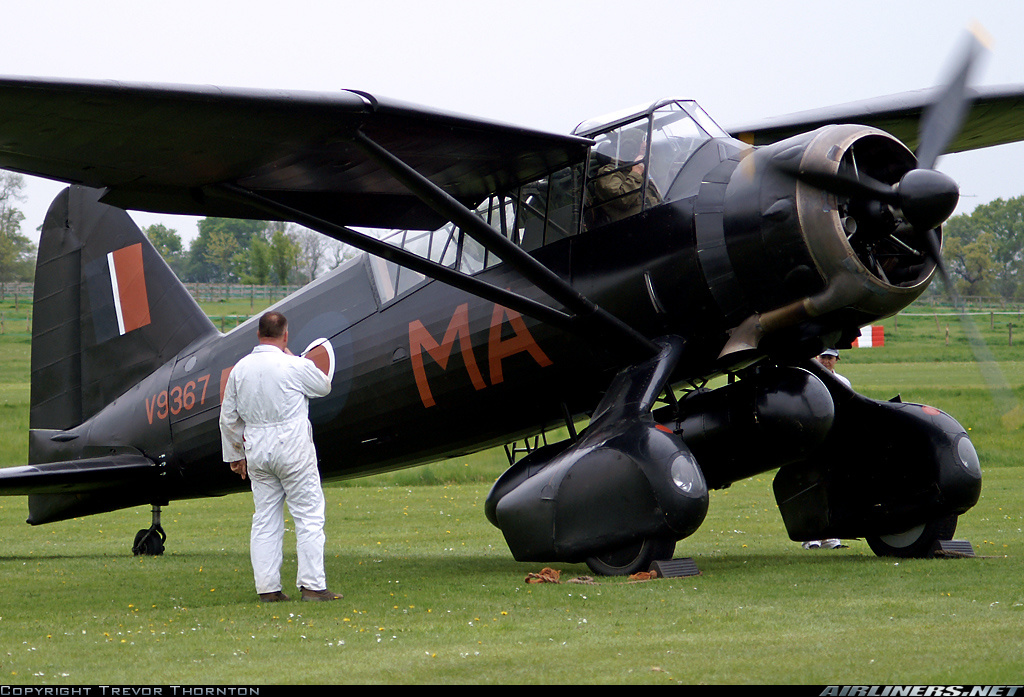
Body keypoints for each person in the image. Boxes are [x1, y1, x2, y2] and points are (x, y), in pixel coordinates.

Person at [220, 311, 341, 602]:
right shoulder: (293, 365)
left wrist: (236, 454)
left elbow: (228, 418)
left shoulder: (240, 370)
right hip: (293, 447)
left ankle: (268, 589)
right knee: (309, 515)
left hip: (257, 448)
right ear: (285, 335)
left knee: (264, 519)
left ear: (258, 334)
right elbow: (323, 385)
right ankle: (312, 586)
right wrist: (294, 356)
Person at [803, 347, 850, 550]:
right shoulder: (807, 380)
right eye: (823, 357)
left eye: (830, 358)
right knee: (811, 486)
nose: (826, 361)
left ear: (836, 360)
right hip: (812, 440)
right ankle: (811, 538)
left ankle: (832, 538)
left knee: (834, 488)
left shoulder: (844, 382)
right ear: (816, 357)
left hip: (833, 440)